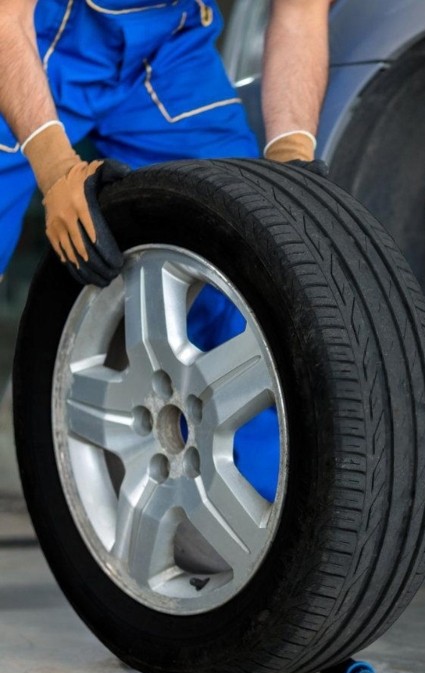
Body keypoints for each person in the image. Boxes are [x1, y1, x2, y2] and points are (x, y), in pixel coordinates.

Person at [0, 0, 331, 499]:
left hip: (165, 50)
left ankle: (270, 509)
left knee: (251, 253)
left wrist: (290, 159)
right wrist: (56, 169)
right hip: (31, 36)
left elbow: (302, 12)